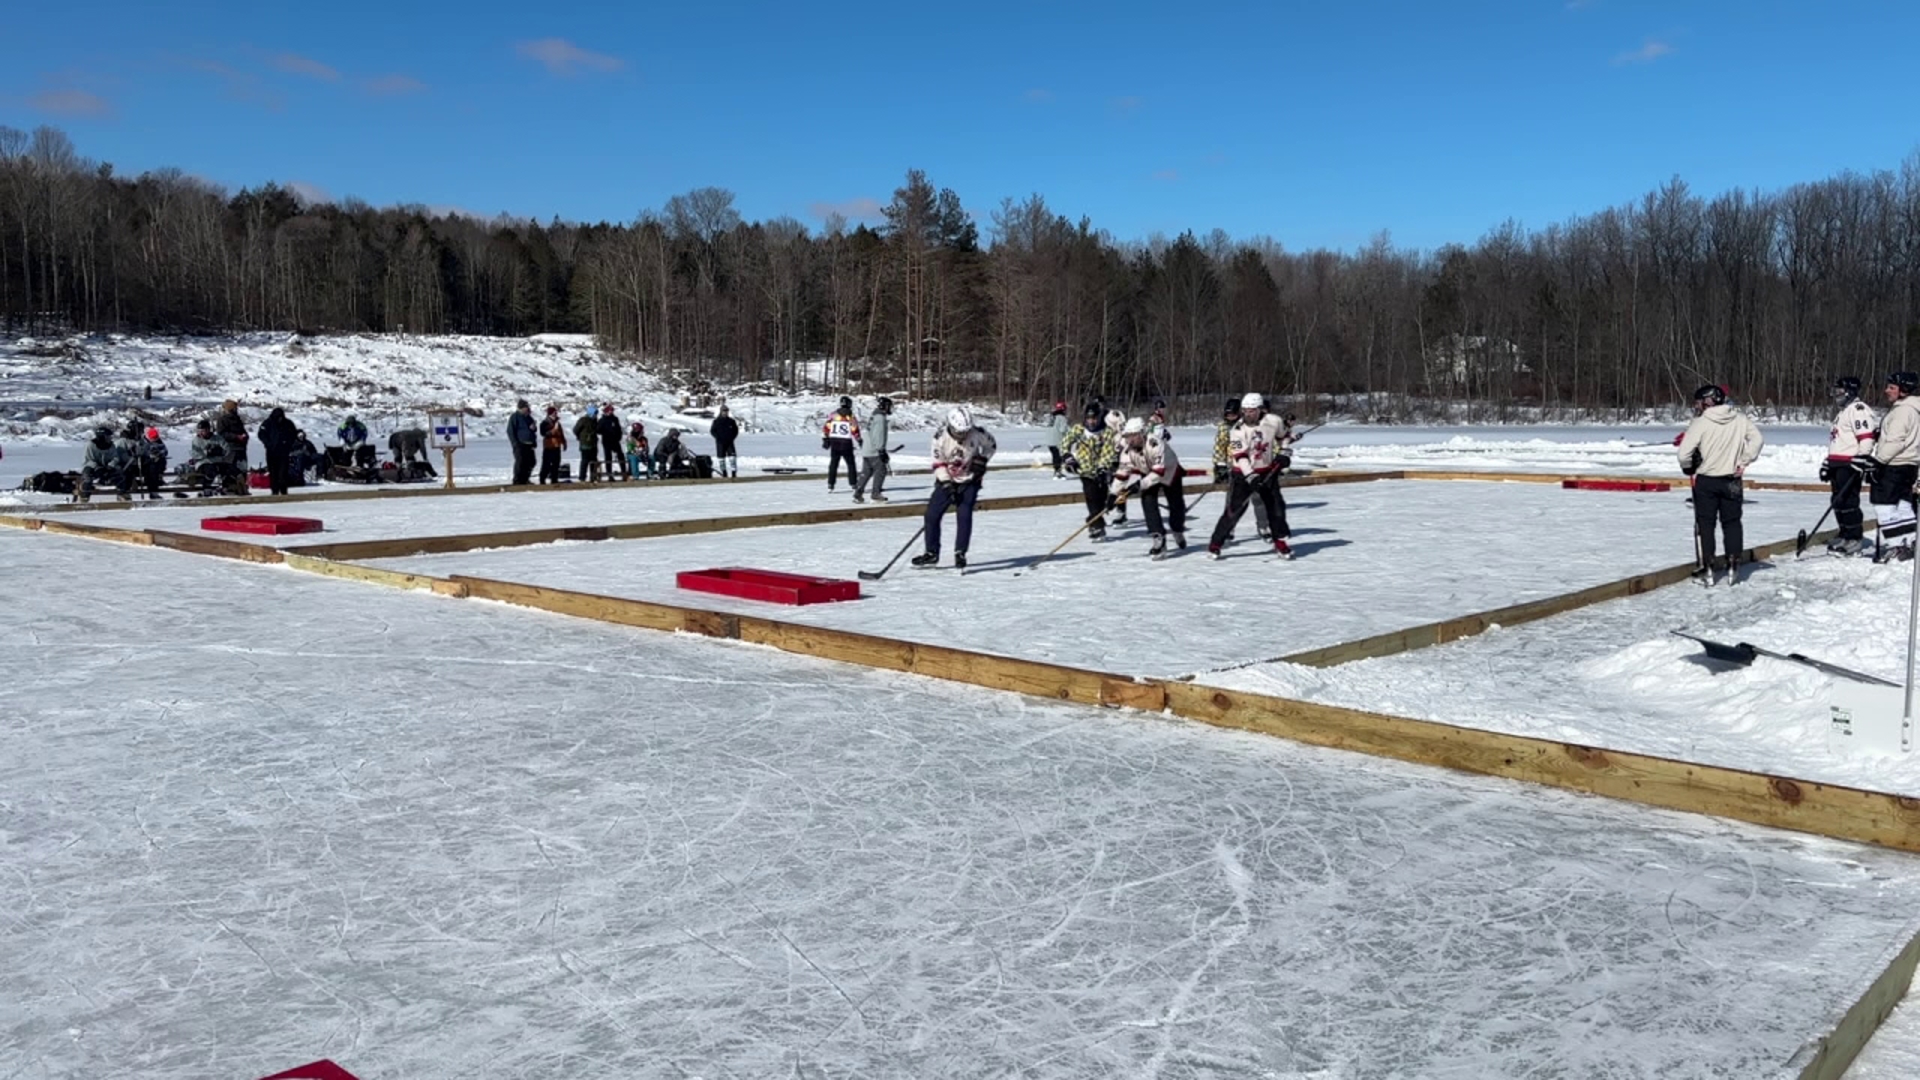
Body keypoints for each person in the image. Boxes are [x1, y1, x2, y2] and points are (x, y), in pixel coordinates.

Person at [1676, 383, 1764, 578]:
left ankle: (1707, 565)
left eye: (1700, 402)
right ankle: (1733, 563)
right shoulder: (1740, 419)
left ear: (1708, 401)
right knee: (1732, 522)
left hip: (1707, 480)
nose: (1698, 406)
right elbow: (1757, 440)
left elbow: (1683, 453)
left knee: (1706, 523)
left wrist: (1688, 466)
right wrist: (1744, 460)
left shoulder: (1700, 423)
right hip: (1732, 480)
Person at [1208, 392, 1293, 560]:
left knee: (1276, 509)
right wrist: (1251, 476)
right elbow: (1240, 457)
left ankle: (1280, 542)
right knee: (1234, 510)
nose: (1248, 414)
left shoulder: (1273, 421)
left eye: (1252, 411)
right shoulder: (1237, 430)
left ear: (1261, 410)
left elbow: (1285, 436)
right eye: (1245, 411)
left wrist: (1284, 453)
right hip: (1242, 474)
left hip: (1267, 471)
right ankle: (1216, 543)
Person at [911, 407, 997, 569]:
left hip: (970, 480)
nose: (962, 436)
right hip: (947, 479)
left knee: (964, 514)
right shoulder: (940, 438)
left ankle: (960, 552)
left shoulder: (978, 433)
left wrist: (982, 460)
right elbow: (938, 463)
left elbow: (991, 445)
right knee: (932, 515)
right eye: (959, 432)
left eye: (965, 432)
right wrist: (947, 484)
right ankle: (931, 552)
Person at [1862, 372, 1920, 563]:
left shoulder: (1903, 411)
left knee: (1884, 506)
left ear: (1904, 390)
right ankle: (1910, 542)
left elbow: (1896, 442)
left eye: (1892, 388)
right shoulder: (1912, 409)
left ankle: (1897, 545)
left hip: (1894, 464)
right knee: (1903, 505)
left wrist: (1877, 461)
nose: (1887, 391)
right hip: (1908, 464)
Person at [1112, 416, 1185, 558]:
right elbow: (1122, 473)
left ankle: (1177, 529)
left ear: (1142, 433)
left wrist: (1139, 484)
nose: (1130, 440)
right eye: (1128, 436)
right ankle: (1158, 537)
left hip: (1169, 472)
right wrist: (1113, 494)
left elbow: (1158, 472)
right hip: (1147, 472)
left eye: (1134, 436)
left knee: (1176, 506)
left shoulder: (1155, 443)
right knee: (1147, 500)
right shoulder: (1127, 451)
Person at [1821, 376, 1877, 555]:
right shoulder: (1843, 412)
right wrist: (1828, 462)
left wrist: (1862, 458)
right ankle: (1845, 533)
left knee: (1849, 502)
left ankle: (1854, 538)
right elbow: (1839, 440)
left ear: (1850, 391)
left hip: (1849, 464)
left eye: (1839, 391)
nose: (1835, 395)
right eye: (1834, 391)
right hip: (1838, 464)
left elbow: (1867, 437)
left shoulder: (1858, 410)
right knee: (1837, 501)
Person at [1060, 403, 1120, 540]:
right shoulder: (1079, 430)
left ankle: (1093, 519)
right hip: (1085, 470)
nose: (1091, 422)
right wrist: (1068, 458)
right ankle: (1097, 527)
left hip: (1101, 471)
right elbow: (1065, 443)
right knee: (1091, 497)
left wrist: (1103, 468)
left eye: (1094, 419)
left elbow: (1108, 452)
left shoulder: (1107, 432)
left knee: (1102, 499)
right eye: (1089, 418)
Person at [854, 397, 892, 503]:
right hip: (874, 450)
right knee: (881, 471)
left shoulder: (874, 415)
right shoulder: (880, 418)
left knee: (866, 472)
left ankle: (858, 493)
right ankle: (875, 494)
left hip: (867, 449)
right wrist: (881, 450)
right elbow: (878, 435)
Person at [822, 395, 862, 493]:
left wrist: (826, 438)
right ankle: (853, 483)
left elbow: (827, 427)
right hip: (846, 443)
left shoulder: (833, 415)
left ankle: (831, 484)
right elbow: (854, 430)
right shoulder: (850, 416)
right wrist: (859, 440)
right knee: (851, 464)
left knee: (833, 464)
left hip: (835, 442)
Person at [257, 406, 299, 496]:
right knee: (273, 472)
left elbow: (293, 434)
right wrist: (268, 444)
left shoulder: (288, 423)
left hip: (284, 452)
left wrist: (289, 444)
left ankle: (283, 490)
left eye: (281, 416)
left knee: (283, 472)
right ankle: (274, 490)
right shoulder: (268, 423)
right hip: (271, 452)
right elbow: (261, 434)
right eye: (278, 417)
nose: (280, 419)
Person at [538, 406, 568, 484]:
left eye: (556, 412)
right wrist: (552, 431)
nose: (556, 414)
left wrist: (564, 442)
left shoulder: (558, 423)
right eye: (554, 412)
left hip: (557, 446)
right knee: (546, 464)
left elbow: (561, 434)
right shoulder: (544, 423)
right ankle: (542, 479)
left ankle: (554, 479)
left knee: (556, 464)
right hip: (549, 446)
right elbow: (543, 433)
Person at [598, 403, 627, 481]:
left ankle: (624, 473)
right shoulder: (602, 420)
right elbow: (598, 430)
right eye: (609, 411)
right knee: (608, 457)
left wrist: (619, 436)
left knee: (621, 456)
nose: (611, 412)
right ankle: (609, 474)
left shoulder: (615, 419)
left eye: (612, 411)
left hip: (615, 441)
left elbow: (619, 429)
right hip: (607, 441)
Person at [138, 426, 169, 498]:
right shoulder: (142, 442)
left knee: (160, 463)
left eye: (155, 438)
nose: (154, 440)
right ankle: (153, 490)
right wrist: (149, 454)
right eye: (153, 438)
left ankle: (157, 482)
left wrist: (159, 454)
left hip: (158, 464)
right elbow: (141, 452)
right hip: (146, 464)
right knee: (151, 472)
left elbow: (165, 450)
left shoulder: (159, 441)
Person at [710, 404, 740, 479]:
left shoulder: (731, 421)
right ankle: (724, 473)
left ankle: (733, 473)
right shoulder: (716, 421)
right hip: (720, 443)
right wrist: (718, 438)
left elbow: (736, 430)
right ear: (721, 412)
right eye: (724, 411)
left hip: (729, 442)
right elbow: (712, 431)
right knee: (721, 458)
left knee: (732, 458)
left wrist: (732, 437)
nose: (725, 412)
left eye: (726, 411)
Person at [573, 405, 600, 483]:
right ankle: (582, 477)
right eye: (595, 413)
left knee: (593, 461)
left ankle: (593, 477)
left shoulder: (595, 421)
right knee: (585, 461)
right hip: (585, 444)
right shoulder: (583, 420)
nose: (595, 415)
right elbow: (575, 430)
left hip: (593, 444)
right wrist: (581, 437)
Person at [1043, 400, 1070, 478]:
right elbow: (1063, 430)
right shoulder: (1062, 418)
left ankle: (1056, 471)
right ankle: (1058, 472)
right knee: (1059, 457)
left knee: (1055, 456)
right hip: (1057, 441)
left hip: (1049, 441)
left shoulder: (1052, 417)